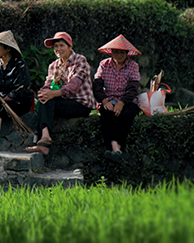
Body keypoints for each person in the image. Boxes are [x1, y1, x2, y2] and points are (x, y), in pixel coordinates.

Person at [25, 32, 98, 155]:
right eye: (55, 46)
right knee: (44, 100)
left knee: (49, 99)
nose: (58, 49)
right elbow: (47, 84)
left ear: (70, 46)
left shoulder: (80, 60)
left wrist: (52, 94)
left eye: (61, 45)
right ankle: (44, 138)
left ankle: (43, 140)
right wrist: (43, 93)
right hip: (63, 102)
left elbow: (73, 87)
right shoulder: (53, 65)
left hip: (81, 103)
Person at [93, 34, 143, 163]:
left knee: (126, 115)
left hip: (127, 100)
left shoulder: (133, 66)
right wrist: (104, 101)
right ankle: (115, 148)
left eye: (122, 52)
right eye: (116, 52)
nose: (119, 55)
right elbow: (97, 86)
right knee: (106, 115)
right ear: (111, 52)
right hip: (108, 99)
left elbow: (133, 88)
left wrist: (121, 103)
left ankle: (117, 147)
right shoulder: (104, 64)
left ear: (127, 53)